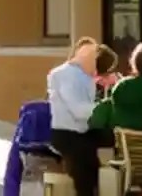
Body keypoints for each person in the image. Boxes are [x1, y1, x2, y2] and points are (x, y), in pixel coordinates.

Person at [47, 37, 103, 196]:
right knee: (84, 161)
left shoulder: (84, 76)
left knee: (113, 140)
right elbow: (78, 110)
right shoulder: (65, 74)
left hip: (83, 130)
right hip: (67, 133)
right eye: (93, 57)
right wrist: (104, 109)